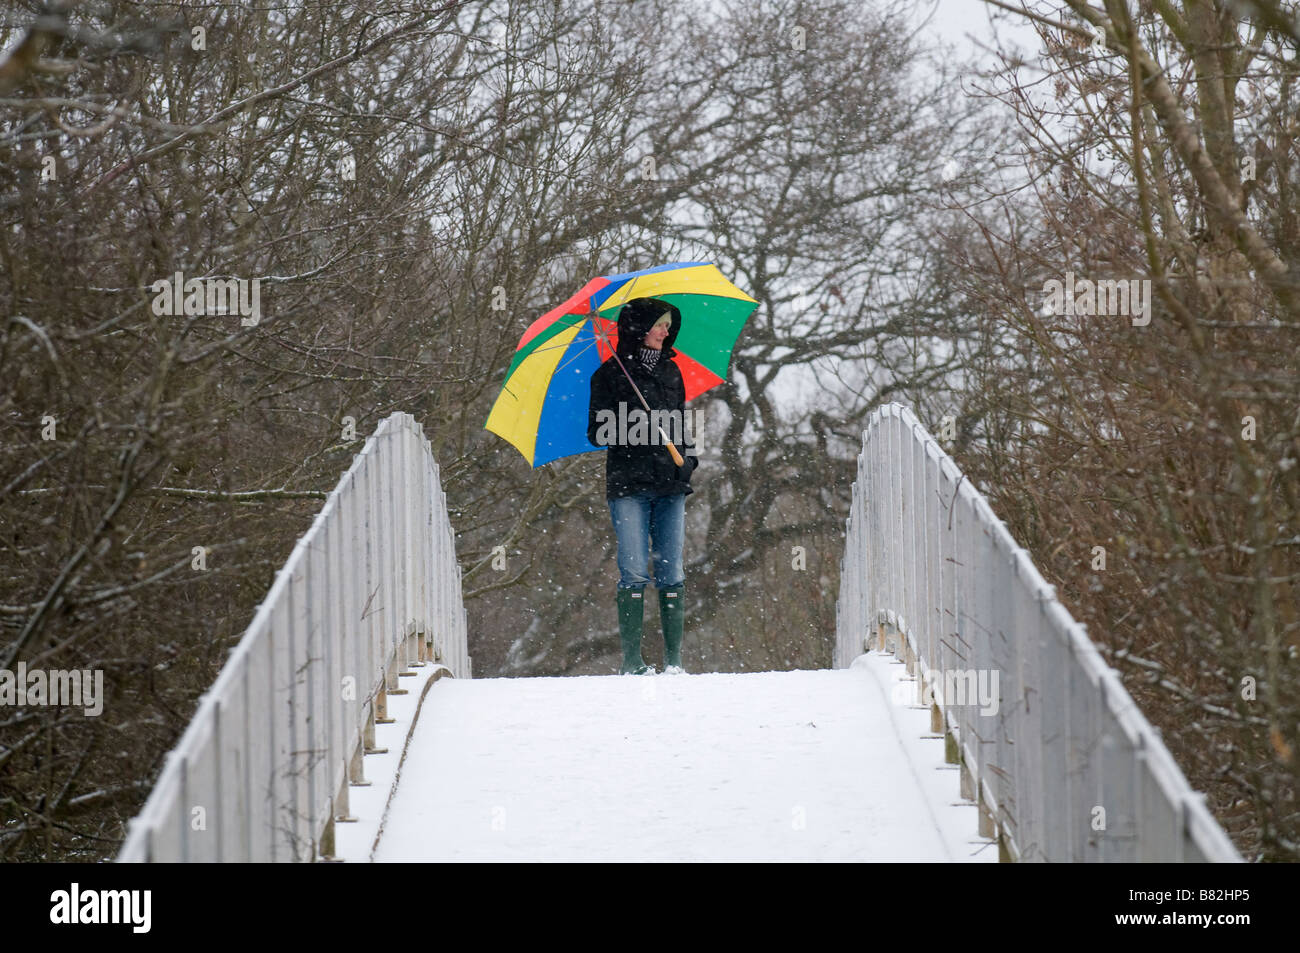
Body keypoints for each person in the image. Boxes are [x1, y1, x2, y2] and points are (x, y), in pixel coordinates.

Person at [587, 296, 699, 675]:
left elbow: (680, 426)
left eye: (668, 325)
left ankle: (673, 662)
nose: (666, 331)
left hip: (670, 483)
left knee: (673, 571)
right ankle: (632, 661)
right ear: (639, 328)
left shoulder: (673, 373)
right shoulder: (609, 375)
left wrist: (688, 461)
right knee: (634, 569)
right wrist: (631, 421)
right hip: (628, 485)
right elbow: (595, 434)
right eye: (660, 324)